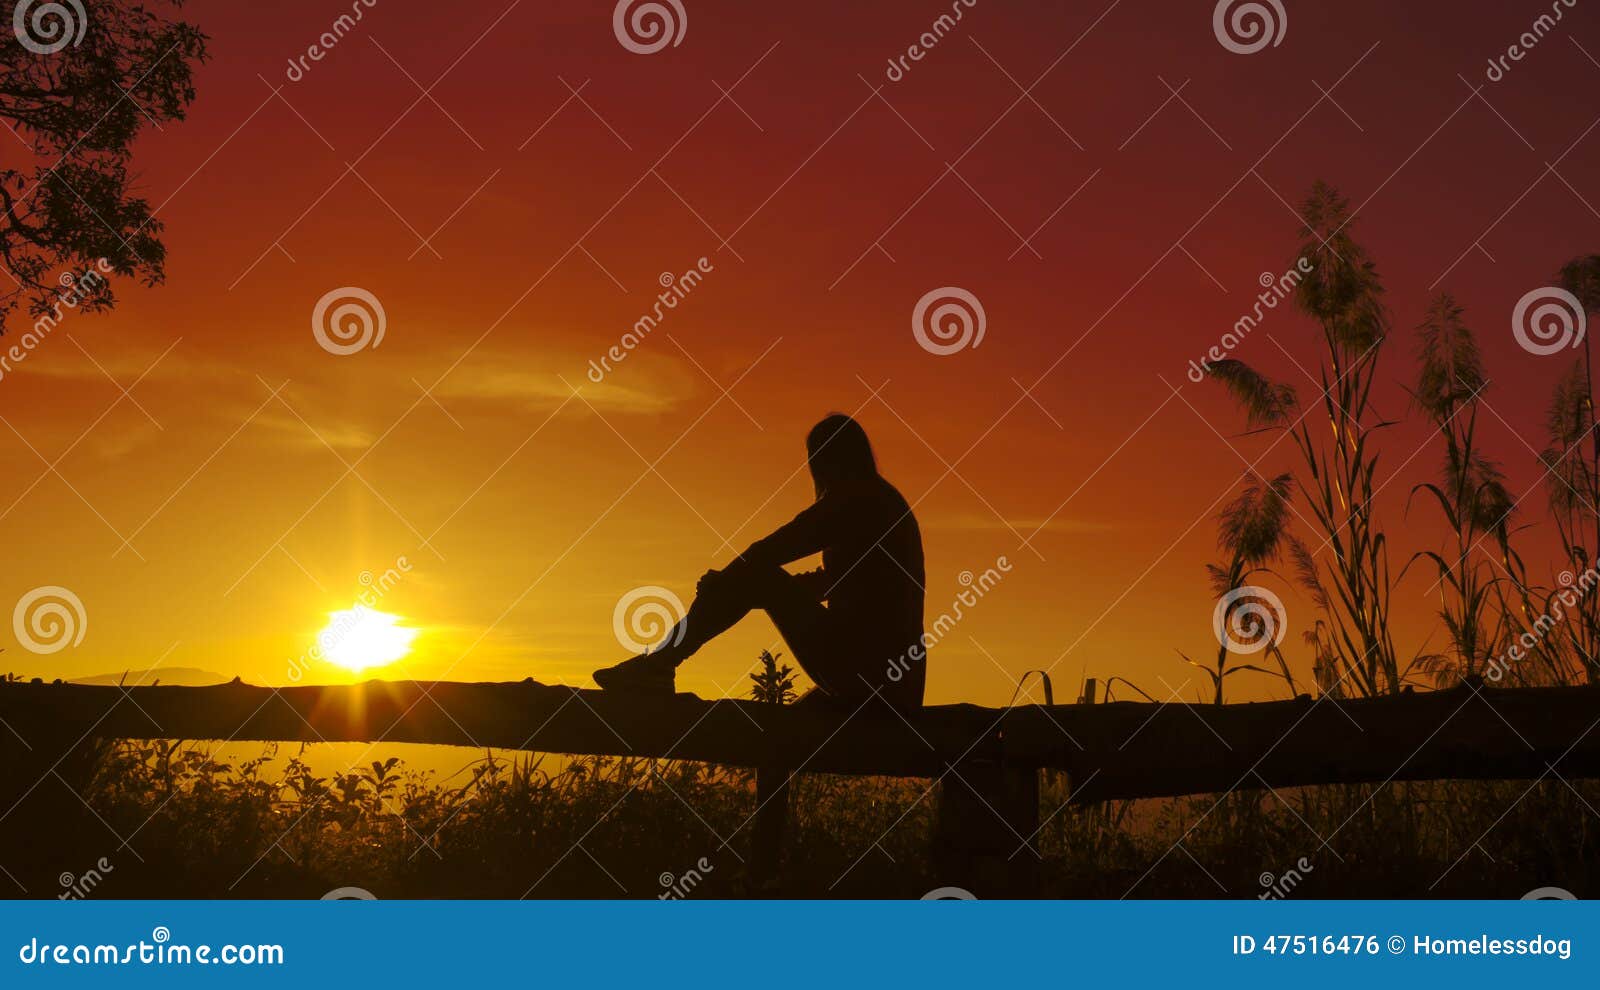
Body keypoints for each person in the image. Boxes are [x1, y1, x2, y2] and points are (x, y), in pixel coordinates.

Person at [593, 414, 926, 710]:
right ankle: (661, 664)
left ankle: (660, 664)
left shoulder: (858, 500)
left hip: (872, 676)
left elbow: (774, 549)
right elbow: (831, 583)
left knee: (760, 574)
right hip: (895, 683)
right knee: (759, 581)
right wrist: (743, 587)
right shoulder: (881, 502)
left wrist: (728, 581)